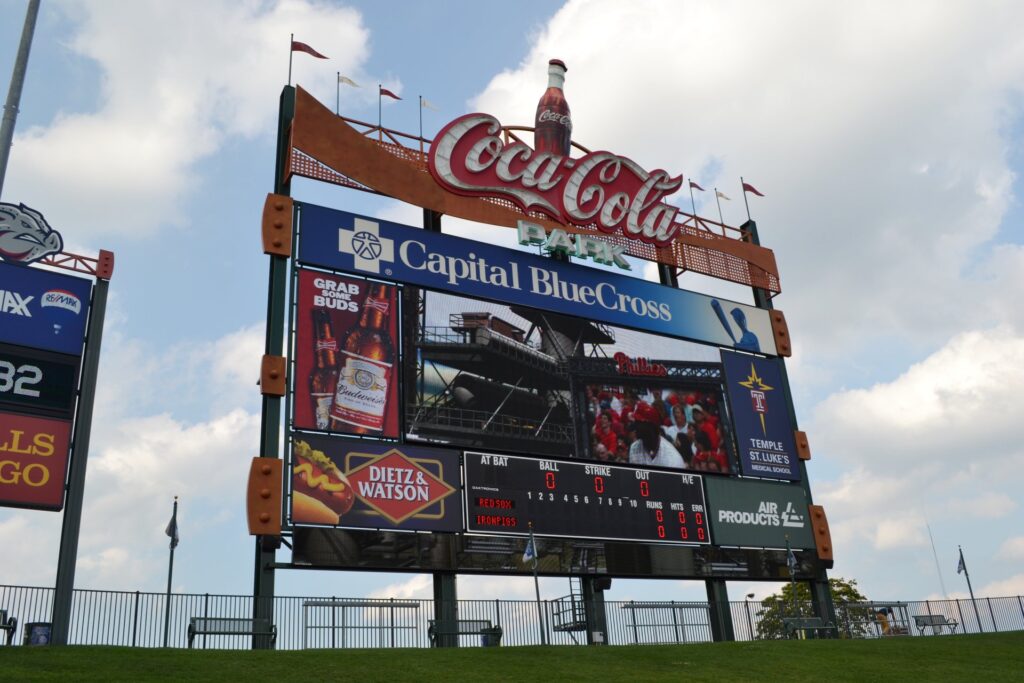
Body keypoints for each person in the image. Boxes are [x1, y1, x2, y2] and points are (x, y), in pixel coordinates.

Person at [628, 401, 685, 469]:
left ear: (650, 427)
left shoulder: (673, 461)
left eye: (638, 423)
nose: (635, 428)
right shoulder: (634, 448)